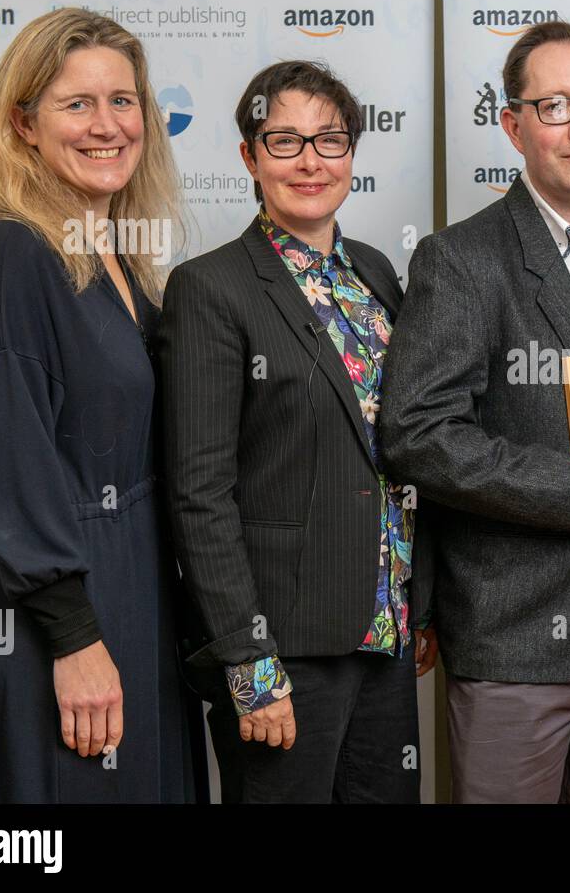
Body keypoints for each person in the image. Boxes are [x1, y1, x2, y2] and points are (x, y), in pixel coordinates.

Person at [379, 21, 570, 803]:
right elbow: (418, 434)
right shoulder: (462, 259)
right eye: (554, 105)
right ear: (513, 124)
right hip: (519, 637)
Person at [0, 7, 202, 802]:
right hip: (55, 612)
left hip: (134, 586)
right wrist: (75, 636)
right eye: (76, 104)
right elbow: (16, 456)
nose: (107, 125)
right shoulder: (15, 251)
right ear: (23, 123)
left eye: (123, 101)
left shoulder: (113, 252)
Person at [157, 61, 434, 804]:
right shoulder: (211, 288)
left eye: (330, 140)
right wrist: (250, 665)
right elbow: (198, 492)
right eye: (284, 141)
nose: (311, 161)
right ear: (249, 157)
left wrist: (420, 602)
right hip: (284, 650)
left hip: (384, 630)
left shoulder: (374, 273)